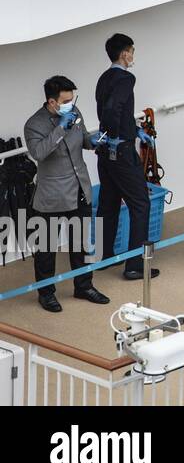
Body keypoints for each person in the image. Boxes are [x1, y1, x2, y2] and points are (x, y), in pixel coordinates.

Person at [23, 76, 110, 312]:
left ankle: (84, 286)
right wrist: (61, 126)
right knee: (46, 248)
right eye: (66, 101)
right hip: (51, 196)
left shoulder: (75, 111)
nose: (71, 104)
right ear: (52, 102)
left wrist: (96, 141)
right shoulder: (34, 124)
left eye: (72, 99)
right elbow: (39, 152)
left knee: (81, 243)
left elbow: (82, 140)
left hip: (79, 189)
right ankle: (46, 293)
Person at [94, 33, 159, 280]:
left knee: (108, 203)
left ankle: (103, 257)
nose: (133, 56)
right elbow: (113, 109)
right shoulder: (126, 78)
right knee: (141, 203)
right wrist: (117, 137)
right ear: (125, 53)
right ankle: (135, 266)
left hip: (106, 152)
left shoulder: (104, 78)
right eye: (132, 51)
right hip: (119, 151)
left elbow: (110, 110)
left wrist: (136, 130)